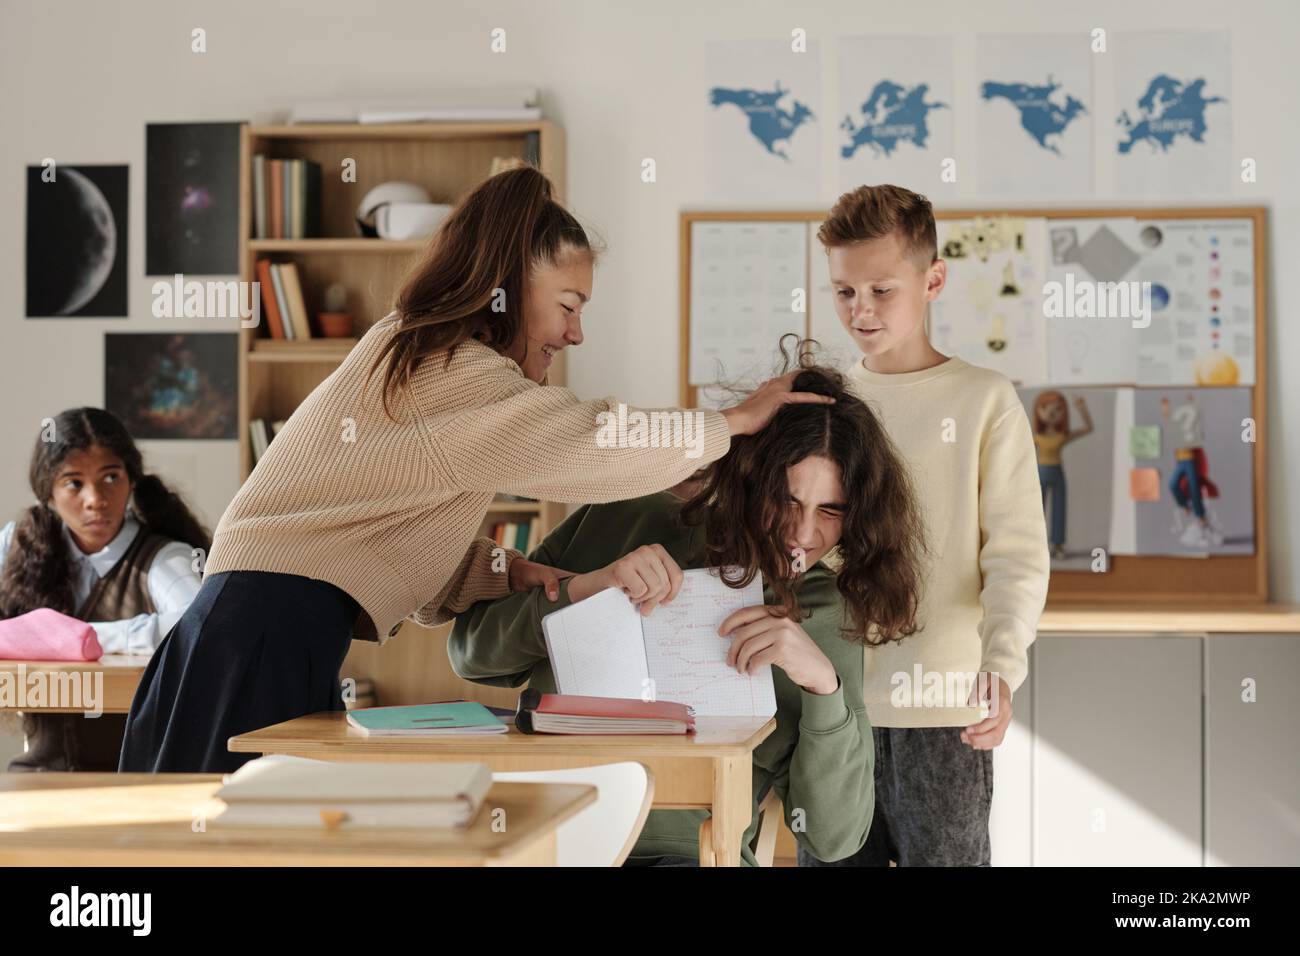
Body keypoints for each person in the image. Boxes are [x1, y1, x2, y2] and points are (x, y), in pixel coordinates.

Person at [119, 165, 830, 773]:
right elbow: (586, 443)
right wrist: (728, 424)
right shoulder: (453, 369)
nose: (576, 332)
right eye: (569, 306)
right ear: (510, 285)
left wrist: (501, 570)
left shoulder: (420, 352)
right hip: (263, 632)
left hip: (255, 624)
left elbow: (381, 526)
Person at [450, 355, 926, 865]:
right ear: (748, 479)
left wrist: (822, 687)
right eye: (785, 501)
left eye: (830, 511)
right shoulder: (626, 516)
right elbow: (472, 655)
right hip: (548, 839)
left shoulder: (824, 609)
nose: (803, 535)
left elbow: (833, 838)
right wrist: (585, 590)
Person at [812, 183, 1050, 866]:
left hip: (945, 715)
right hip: (835, 713)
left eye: (882, 290)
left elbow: (1016, 555)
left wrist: (1002, 664)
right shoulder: (824, 403)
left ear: (933, 279)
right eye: (844, 292)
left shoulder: (984, 401)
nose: (861, 310)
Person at [0, 407, 208, 771]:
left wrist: (81, 638)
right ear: (46, 491)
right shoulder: (14, 547)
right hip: (40, 776)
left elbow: (201, 627)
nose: (95, 499)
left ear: (131, 481)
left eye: (110, 478)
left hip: (137, 780)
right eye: (73, 483)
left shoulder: (164, 558)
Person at [1031, 390, 1094, 560]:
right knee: (1037, 511)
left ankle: (1057, 545)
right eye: (1045, 408)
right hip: (1040, 473)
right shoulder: (1036, 437)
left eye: (1057, 409)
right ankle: (1036, 546)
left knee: (1059, 509)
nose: (1051, 413)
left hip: (1057, 473)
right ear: (1038, 410)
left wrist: (1081, 408)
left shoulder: (1062, 435)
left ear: (1063, 412)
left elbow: (1089, 428)